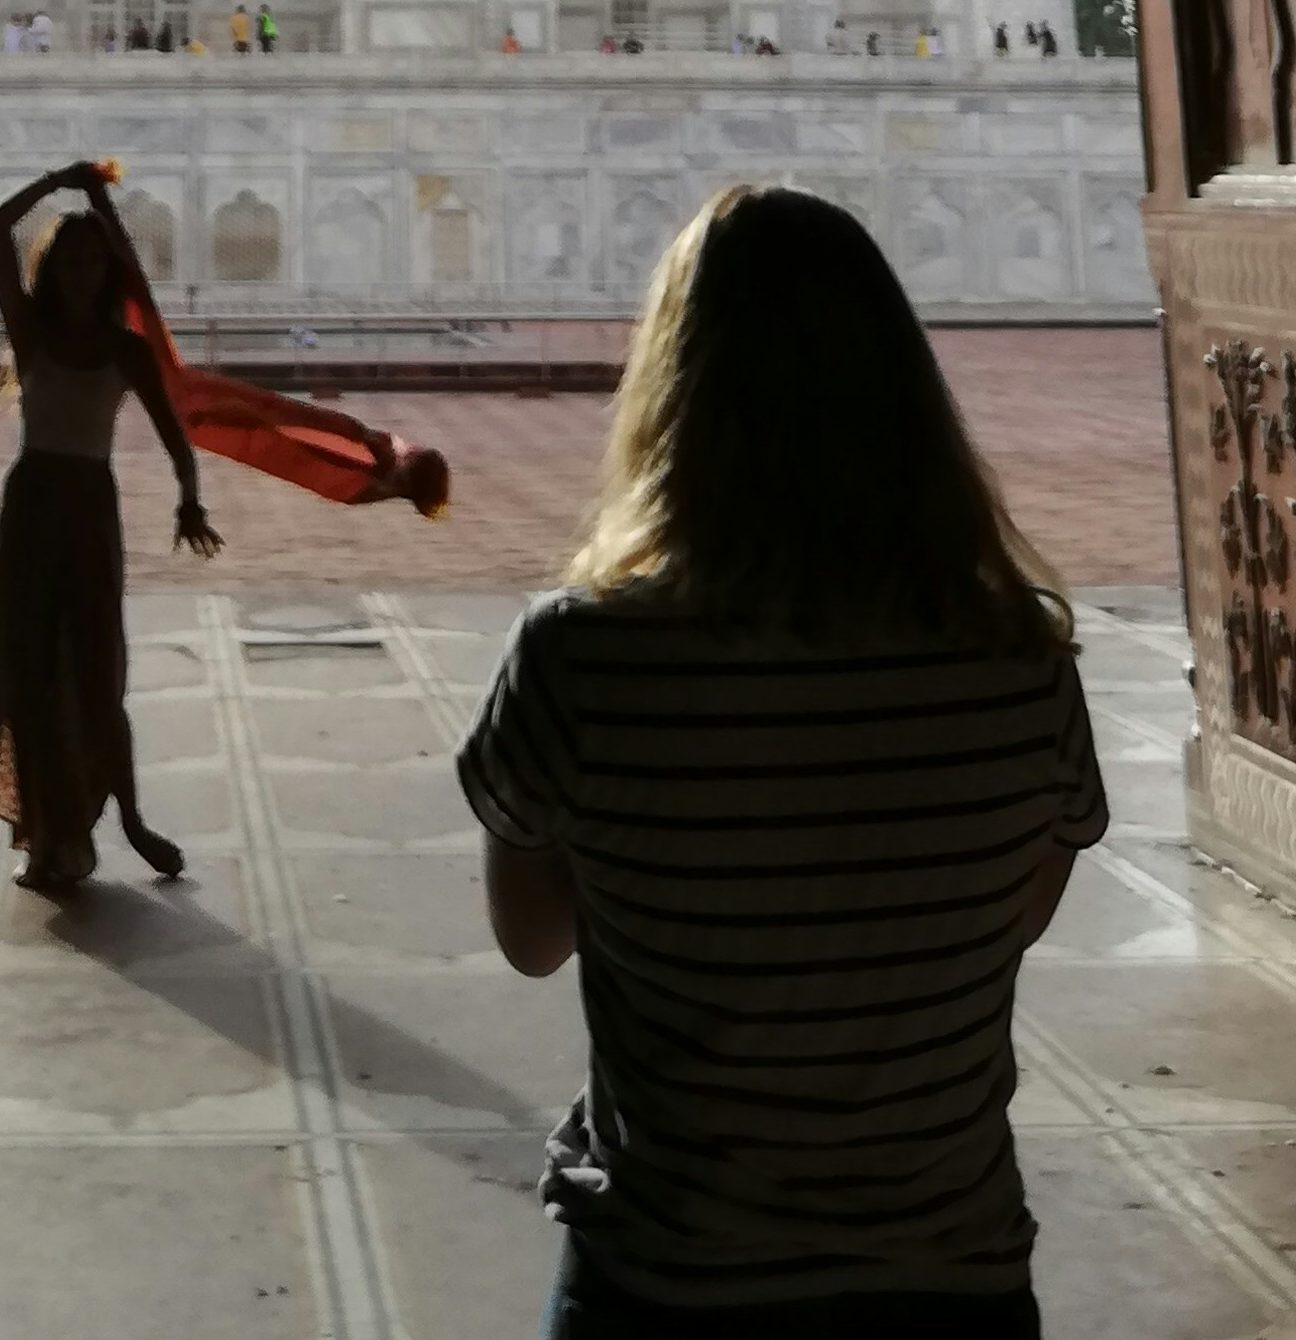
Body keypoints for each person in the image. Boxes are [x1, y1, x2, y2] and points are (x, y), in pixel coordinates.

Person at [458, 184, 1103, 1335]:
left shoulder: (583, 656)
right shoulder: (1019, 658)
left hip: (673, 1275)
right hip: (949, 1275)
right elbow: (1012, 915)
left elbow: (531, 941)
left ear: (673, 389)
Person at [0, 157, 217, 897]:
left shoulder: (124, 347)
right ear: (53, 269)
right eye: (71, 260)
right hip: (32, 503)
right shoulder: (33, 330)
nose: (83, 273)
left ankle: (132, 820)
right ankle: (47, 833)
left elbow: (172, 428)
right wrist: (61, 182)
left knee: (96, 670)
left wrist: (189, 496)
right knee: (28, 669)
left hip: (87, 506)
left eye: (93, 261)